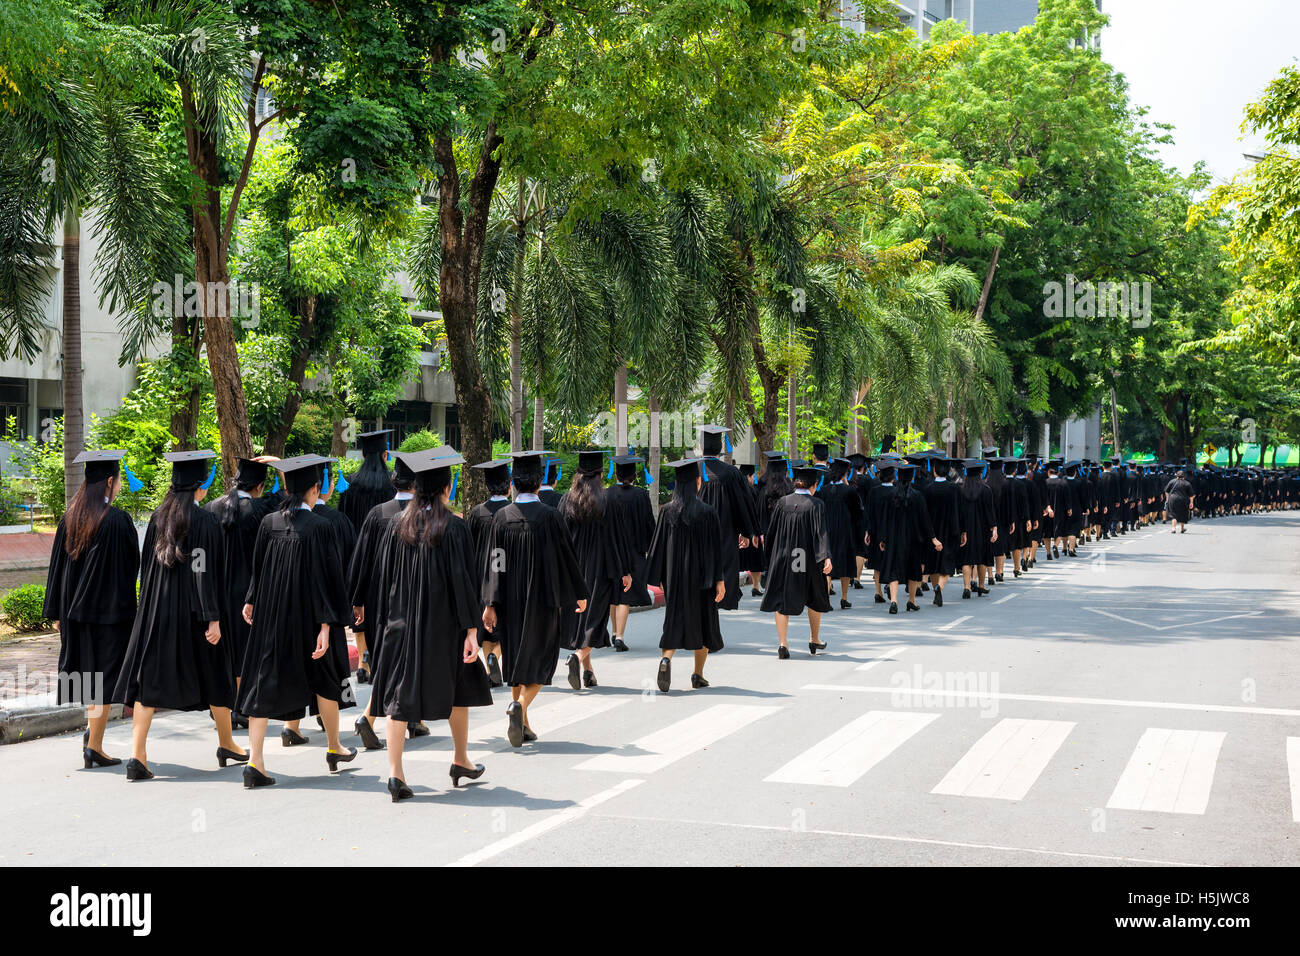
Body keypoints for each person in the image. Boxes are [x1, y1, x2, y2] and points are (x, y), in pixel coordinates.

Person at [368, 447, 493, 801]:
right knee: (460, 687)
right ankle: (460, 758)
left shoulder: (396, 526)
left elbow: (385, 579)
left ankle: (395, 773)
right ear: (446, 489)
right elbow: (463, 581)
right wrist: (471, 629)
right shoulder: (453, 527)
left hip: (400, 625)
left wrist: (385, 625)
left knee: (397, 696)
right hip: (444, 627)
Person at [113, 450, 245, 780]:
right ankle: (227, 742)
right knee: (215, 674)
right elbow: (203, 571)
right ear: (201, 485)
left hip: (157, 611)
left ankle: (138, 756)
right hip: (194, 612)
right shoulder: (204, 521)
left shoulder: (159, 517)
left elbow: (147, 568)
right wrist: (213, 617)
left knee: (149, 683)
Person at [236, 455, 357, 789]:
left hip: (273, 618)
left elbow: (257, 568)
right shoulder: (321, 527)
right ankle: (333, 747)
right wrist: (326, 625)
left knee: (265, 680)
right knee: (327, 680)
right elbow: (327, 579)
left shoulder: (269, 523)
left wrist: (251, 599)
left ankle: (255, 761)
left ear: (286, 488)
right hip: (309, 621)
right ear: (316, 489)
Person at [480, 451, 589, 747]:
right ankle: (521, 708)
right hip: (543, 600)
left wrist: (491, 603)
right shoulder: (551, 517)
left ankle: (523, 724)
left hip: (510, 602)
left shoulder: (501, 519)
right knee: (542, 661)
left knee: (516, 661)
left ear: (513, 483)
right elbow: (567, 558)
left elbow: (495, 562)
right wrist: (579, 593)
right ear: (539, 482)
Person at [44, 450, 140, 769]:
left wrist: (57, 612)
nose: (121, 486)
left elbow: (56, 568)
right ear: (110, 481)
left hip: (74, 614)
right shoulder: (117, 519)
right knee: (103, 678)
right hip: (107, 615)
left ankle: (90, 733)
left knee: (88, 675)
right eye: (120, 480)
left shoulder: (70, 516)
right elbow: (129, 568)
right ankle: (95, 747)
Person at [348, 455, 419, 750]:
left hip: (380, 599)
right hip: (414, 597)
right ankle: (381, 717)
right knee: (413, 658)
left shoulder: (378, 513)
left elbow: (361, 560)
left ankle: (412, 718)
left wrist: (358, 600)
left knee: (388, 658)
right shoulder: (423, 515)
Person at [205, 456, 274, 729]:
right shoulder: (260, 510)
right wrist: (277, 463)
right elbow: (291, 491)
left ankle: (223, 706)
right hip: (247, 592)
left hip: (217, 589)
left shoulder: (212, 508)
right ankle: (242, 706)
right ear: (259, 486)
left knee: (224, 650)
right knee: (246, 652)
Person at [646, 457, 725, 691]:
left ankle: (666, 659)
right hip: (703, 579)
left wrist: (659, 577)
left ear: (677, 485)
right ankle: (697, 675)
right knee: (703, 624)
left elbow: (658, 545)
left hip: (675, 579)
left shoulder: (668, 512)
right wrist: (719, 580)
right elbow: (715, 549)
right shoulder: (708, 512)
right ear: (698, 482)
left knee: (673, 621)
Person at [558, 450, 631, 689]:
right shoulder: (608, 500)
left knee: (581, 621)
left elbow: (561, 538)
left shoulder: (567, 500)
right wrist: (624, 570)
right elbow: (618, 539)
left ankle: (588, 672)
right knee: (595, 622)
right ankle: (577, 658)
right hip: (600, 569)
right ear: (600, 474)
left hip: (573, 570)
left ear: (578, 474)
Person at [337, 429, 397, 684]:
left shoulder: (350, 484)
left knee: (359, 606)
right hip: (389, 556)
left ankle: (364, 658)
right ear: (385, 454)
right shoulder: (394, 483)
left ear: (362, 453)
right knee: (385, 606)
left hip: (357, 555)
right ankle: (380, 658)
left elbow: (342, 522)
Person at [760, 464, 832, 658]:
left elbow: (772, 532)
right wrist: (826, 557)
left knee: (782, 598)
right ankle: (814, 639)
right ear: (814, 485)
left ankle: (783, 644)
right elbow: (821, 533)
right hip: (805, 559)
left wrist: (770, 557)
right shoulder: (816, 504)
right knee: (815, 596)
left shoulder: (783, 503)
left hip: (784, 558)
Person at [696, 424, 758, 609]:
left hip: (696, 532)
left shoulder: (692, 470)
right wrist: (746, 532)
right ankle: (722, 598)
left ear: (700, 447)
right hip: (726, 530)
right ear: (721, 448)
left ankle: (700, 598)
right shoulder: (732, 473)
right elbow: (742, 503)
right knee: (725, 564)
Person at [465, 459, 514, 684]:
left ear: (486, 487)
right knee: (507, 624)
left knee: (485, 625)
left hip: (480, 579)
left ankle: (489, 665)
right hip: (508, 576)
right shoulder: (512, 512)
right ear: (509, 486)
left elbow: (469, 547)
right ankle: (495, 656)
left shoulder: (477, 513)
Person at [606, 454, 656, 650]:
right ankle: (620, 636)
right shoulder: (641, 495)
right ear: (635, 475)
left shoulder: (607, 494)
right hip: (634, 553)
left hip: (611, 552)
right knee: (625, 596)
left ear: (615, 474)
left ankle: (613, 631)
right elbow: (649, 525)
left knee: (613, 594)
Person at [816, 458, 864, 609]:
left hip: (827, 531)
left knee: (828, 563)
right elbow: (857, 512)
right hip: (845, 530)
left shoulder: (823, 490)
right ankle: (844, 598)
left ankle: (826, 598)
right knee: (845, 563)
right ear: (845, 473)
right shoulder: (849, 490)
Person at [921, 456, 963, 606]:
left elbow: (924, 513)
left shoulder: (927, 489)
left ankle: (935, 591)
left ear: (934, 470)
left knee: (933, 563)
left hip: (932, 532)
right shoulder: (955, 488)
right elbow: (960, 511)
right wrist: (963, 531)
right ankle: (940, 587)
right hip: (950, 530)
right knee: (947, 562)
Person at [956, 458, 997, 599]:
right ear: (980, 473)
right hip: (983, 529)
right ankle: (981, 585)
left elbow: (959, 512)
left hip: (966, 529)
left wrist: (962, 530)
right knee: (982, 559)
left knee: (967, 559)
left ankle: (966, 587)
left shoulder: (961, 490)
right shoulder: (986, 490)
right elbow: (990, 512)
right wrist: (994, 528)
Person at [1164, 469, 1195, 533]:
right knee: (1183, 514)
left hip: (1173, 499)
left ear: (1176, 476)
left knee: (1173, 514)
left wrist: (1167, 499)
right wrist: (1191, 502)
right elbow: (1191, 495)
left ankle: (1173, 528)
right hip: (1183, 500)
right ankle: (1182, 528)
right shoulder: (1187, 483)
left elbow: (1166, 491)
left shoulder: (1172, 481)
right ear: (1184, 476)